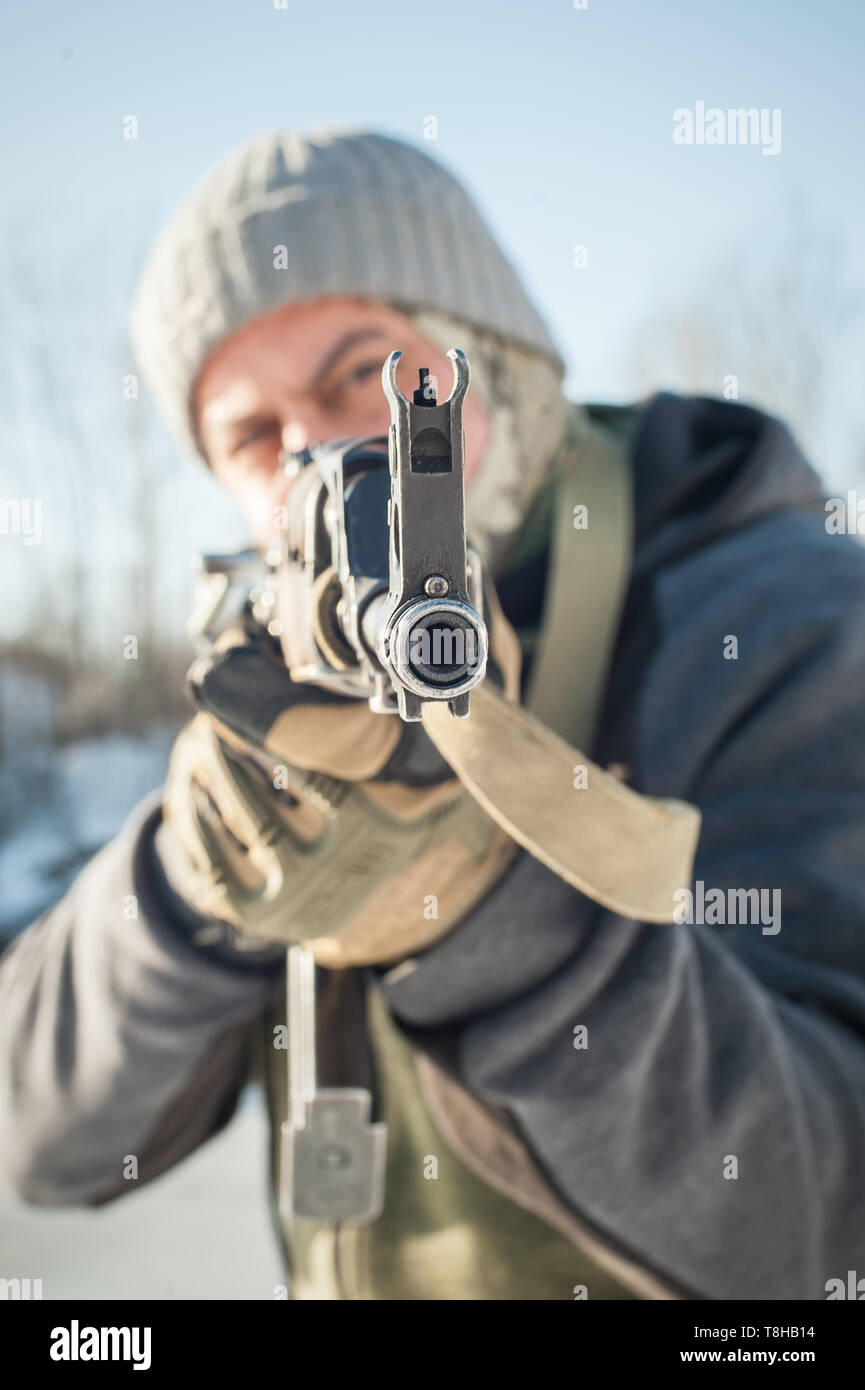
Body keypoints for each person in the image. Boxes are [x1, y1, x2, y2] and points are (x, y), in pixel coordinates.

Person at [2, 127, 865, 1302]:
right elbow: (36, 1140)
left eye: (365, 376)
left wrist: (494, 918)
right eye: (250, 435)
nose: (313, 450)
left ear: (498, 362)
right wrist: (187, 887)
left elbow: (820, 1234)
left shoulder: (778, 615)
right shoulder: (267, 672)